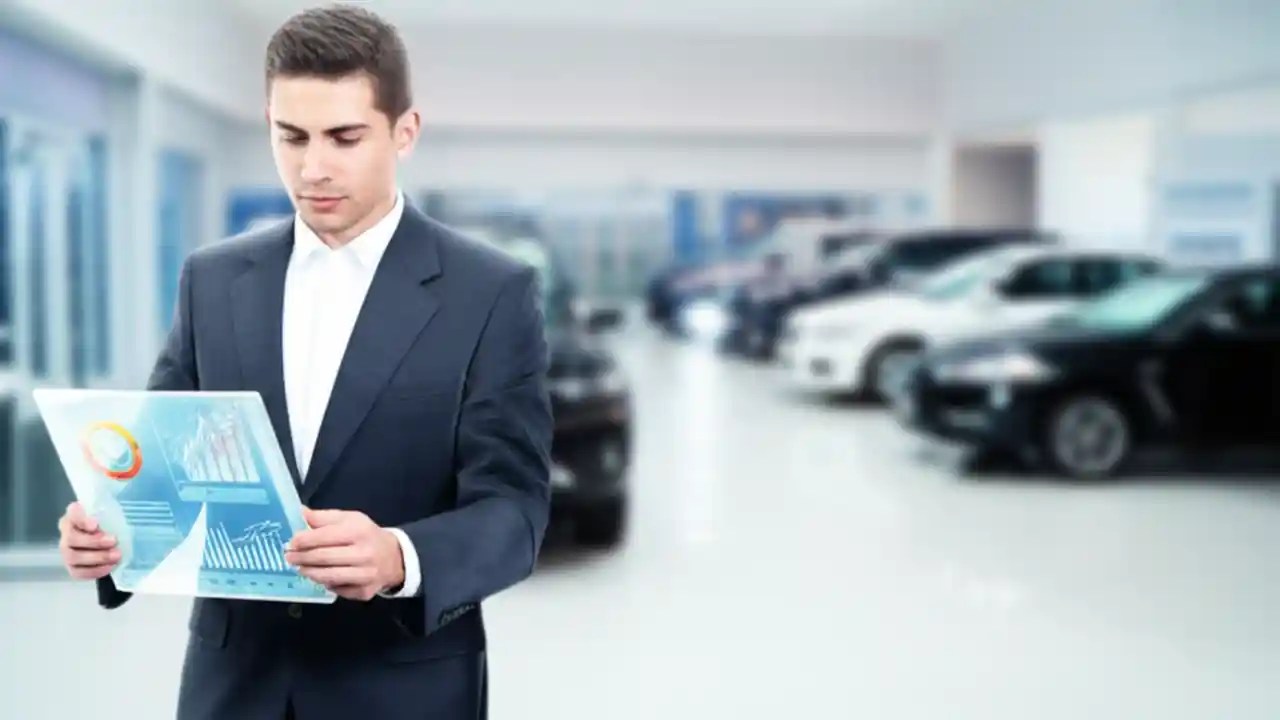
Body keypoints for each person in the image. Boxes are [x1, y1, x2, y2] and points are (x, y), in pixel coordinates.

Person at [54, 5, 553, 719]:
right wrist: (108, 535)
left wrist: (397, 555)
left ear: (404, 132)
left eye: (344, 137)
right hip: (234, 689)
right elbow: (157, 471)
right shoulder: (212, 280)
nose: (312, 168)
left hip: (402, 688)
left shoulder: (491, 292)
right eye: (291, 137)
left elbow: (514, 511)